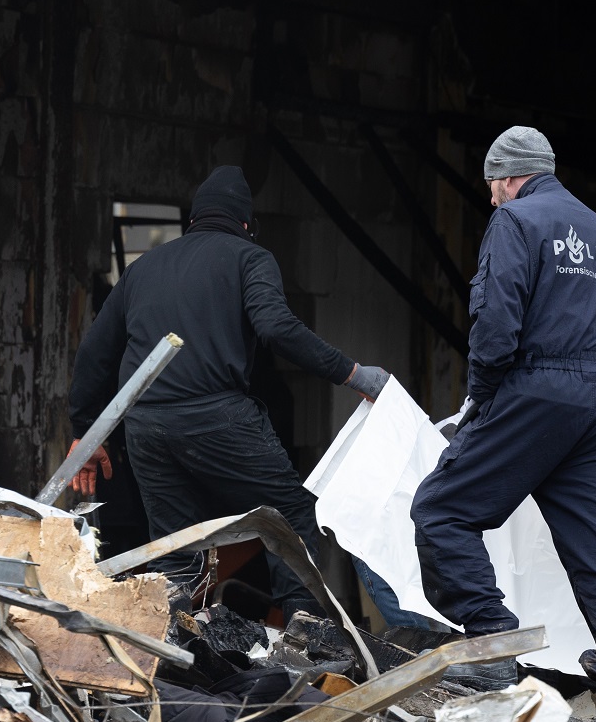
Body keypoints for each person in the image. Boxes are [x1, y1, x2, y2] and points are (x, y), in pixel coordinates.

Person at [409, 127, 596, 722]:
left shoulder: (516, 221)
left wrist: (482, 401)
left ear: (509, 177)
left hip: (542, 389)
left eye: (493, 186)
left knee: (442, 509)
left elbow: (495, 321)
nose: (491, 199)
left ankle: (493, 648)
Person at [68, 165, 392, 616]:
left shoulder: (143, 268)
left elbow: (94, 353)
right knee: (289, 516)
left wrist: (86, 431)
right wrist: (354, 374)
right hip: (215, 415)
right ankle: (307, 634)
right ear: (245, 223)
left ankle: (175, 638)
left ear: (194, 220)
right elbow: (277, 328)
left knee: (174, 544)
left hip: (146, 426)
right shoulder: (249, 256)